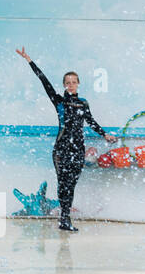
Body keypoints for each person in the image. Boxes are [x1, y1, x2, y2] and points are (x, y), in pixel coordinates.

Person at [16, 47, 116, 232]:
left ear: (78, 84)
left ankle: (65, 220)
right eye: (67, 82)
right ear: (64, 85)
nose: (70, 85)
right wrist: (29, 60)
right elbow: (43, 81)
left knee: (72, 185)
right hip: (61, 150)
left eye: (73, 82)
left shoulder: (83, 103)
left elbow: (91, 121)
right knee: (63, 184)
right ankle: (65, 220)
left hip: (78, 149)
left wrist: (105, 134)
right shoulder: (59, 101)